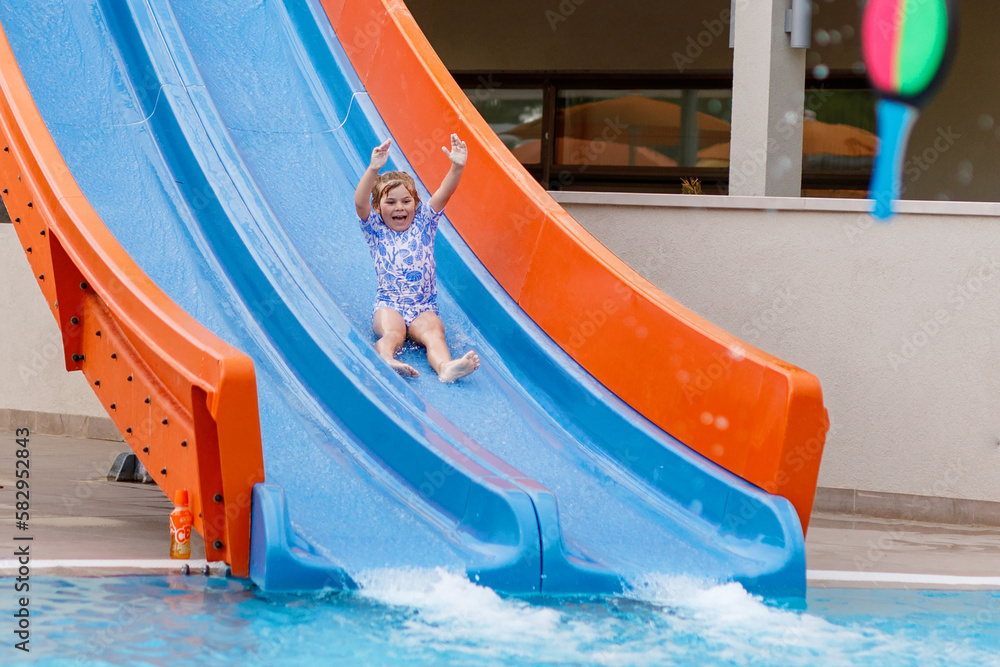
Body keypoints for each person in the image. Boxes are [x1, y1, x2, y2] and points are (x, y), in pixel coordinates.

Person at [353, 134, 480, 382]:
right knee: (392, 333)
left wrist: (457, 166)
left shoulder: (424, 222)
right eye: (390, 202)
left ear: (417, 204)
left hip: (424, 307)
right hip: (389, 305)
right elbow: (359, 203)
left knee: (434, 331)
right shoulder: (375, 228)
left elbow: (445, 192)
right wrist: (373, 168)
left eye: (406, 201)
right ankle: (387, 358)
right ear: (378, 208)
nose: (399, 207)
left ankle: (445, 368)